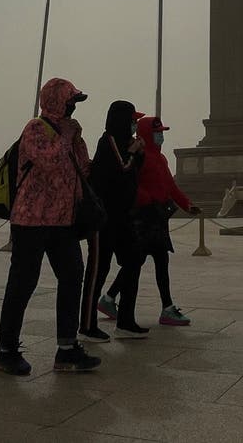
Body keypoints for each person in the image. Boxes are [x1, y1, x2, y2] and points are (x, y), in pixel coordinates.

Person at [0, 77, 100, 375]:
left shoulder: (71, 133)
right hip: (31, 220)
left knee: (72, 276)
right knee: (22, 283)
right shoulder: (35, 128)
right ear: (55, 100)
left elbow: (83, 170)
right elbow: (49, 161)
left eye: (75, 102)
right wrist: (67, 136)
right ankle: (6, 350)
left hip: (63, 221)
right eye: (70, 101)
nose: (72, 107)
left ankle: (67, 349)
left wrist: (81, 143)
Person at [80, 101, 144, 342]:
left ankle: (126, 321)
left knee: (134, 261)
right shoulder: (108, 141)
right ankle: (86, 326)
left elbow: (133, 169)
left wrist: (139, 152)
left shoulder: (123, 143)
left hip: (123, 216)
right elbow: (124, 167)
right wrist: (134, 151)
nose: (134, 124)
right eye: (131, 120)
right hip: (105, 218)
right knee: (98, 270)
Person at [131, 116, 200, 326]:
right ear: (147, 135)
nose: (161, 136)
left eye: (161, 132)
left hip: (158, 219)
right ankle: (109, 298)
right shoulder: (139, 156)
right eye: (157, 133)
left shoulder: (160, 159)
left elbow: (171, 186)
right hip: (144, 218)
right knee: (137, 262)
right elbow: (132, 184)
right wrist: (148, 201)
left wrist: (187, 205)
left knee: (158, 261)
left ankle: (166, 308)